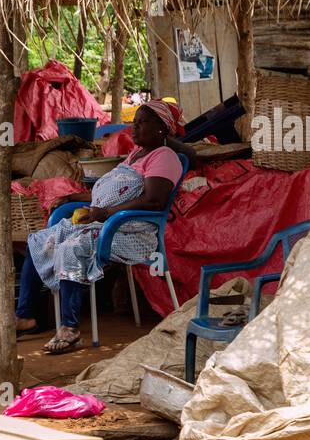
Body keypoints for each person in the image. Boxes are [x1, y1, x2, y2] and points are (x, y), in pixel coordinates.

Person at [15, 100, 193, 354]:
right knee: (41, 238)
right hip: (105, 222)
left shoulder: (164, 157)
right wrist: (73, 199)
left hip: (132, 230)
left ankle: (69, 327)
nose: (134, 127)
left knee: (71, 246)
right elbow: (106, 194)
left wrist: (106, 213)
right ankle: (26, 314)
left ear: (162, 129)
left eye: (142, 122)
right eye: (135, 121)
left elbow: (154, 200)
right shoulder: (134, 156)